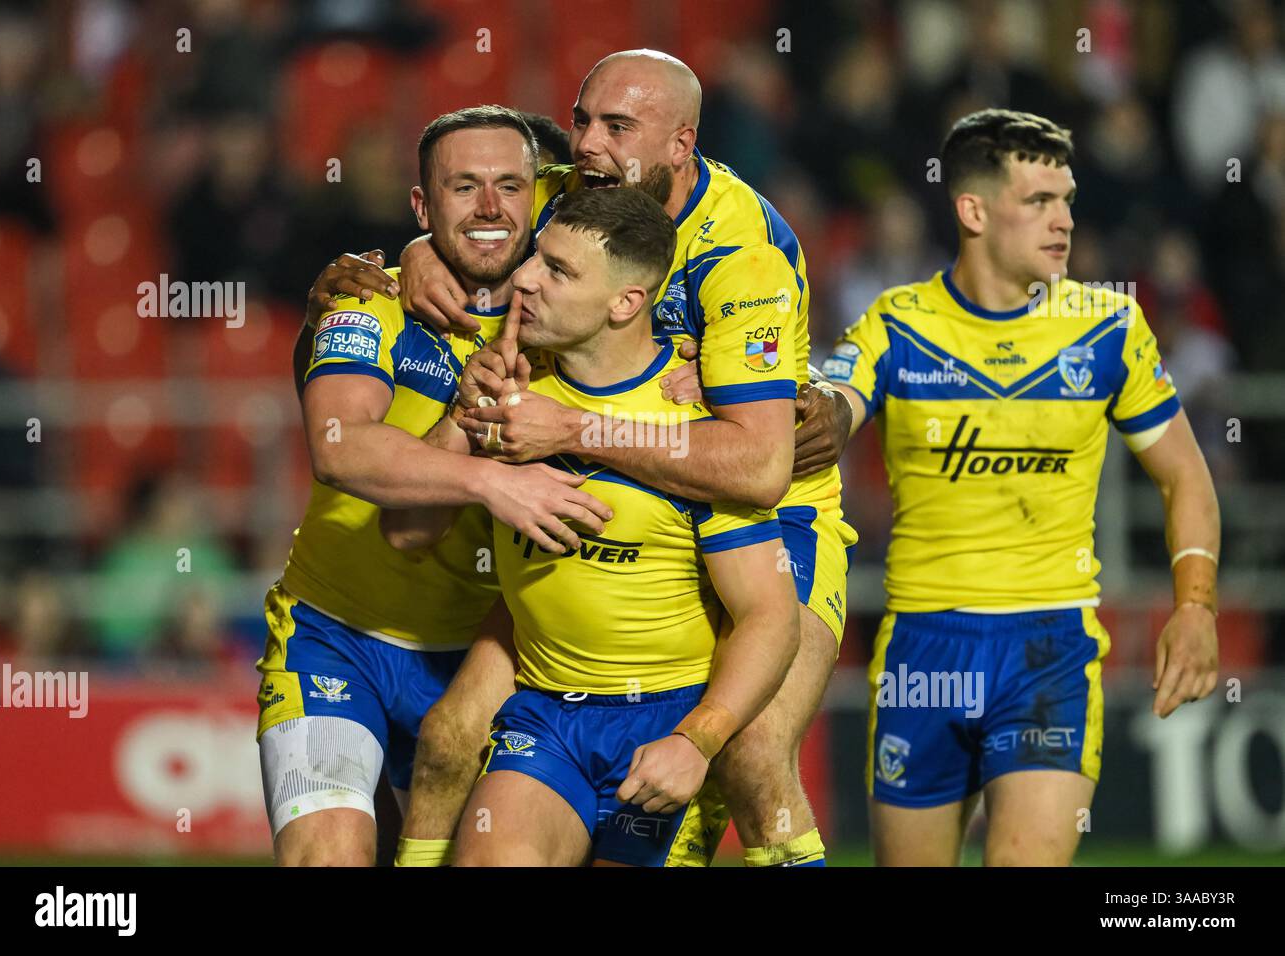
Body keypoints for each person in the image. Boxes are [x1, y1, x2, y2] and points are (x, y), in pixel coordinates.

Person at [394, 49, 857, 868]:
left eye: (618, 126)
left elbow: (756, 466)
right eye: (580, 120)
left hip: (762, 515)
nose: (589, 144)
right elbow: (464, 221)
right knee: (452, 732)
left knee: (749, 753)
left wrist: (570, 430)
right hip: (608, 502)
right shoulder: (572, 193)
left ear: (682, 145)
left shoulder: (745, 249)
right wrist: (419, 255)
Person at [819, 109, 1221, 865]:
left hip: (1050, 647)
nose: (1064, 220)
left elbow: (1186, 478)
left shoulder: (1108, 328)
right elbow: (828, 418)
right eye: (1039, 201)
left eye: (1067, 199)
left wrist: (1195, 605)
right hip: (923, 649)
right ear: (972, 210)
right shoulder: (896, 325)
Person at [257, 106, 611, 866]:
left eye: (509, 186)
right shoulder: (370, 297)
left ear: (540, 200)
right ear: (423, 206)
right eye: (463, 187)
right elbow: (338, 446)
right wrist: (489, 480)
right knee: (330, 857)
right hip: (334, 637)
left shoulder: (579, 336)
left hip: (492, 662)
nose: (489, 207)